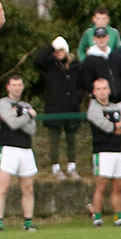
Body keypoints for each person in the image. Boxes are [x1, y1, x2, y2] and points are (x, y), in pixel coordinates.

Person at [0, 74, 38, 231]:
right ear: (8, 87)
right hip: (8, 148)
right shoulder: (4, 103)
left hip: (26, 149)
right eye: (14, 85)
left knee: (28, 188)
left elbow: (32, 129)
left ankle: (28, 222)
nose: (17, 88)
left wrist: (21, 119)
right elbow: (12, 123)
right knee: (2, 188)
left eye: (19, 85)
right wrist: (27, 116)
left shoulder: (26, 105)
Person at [35, 37, 83, 180]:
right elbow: (38, 61)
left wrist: (77, 98)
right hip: (55, 107)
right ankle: (55, 167)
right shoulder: (50, 65)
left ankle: (71, 166)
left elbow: (81, 84)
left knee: (71, 138)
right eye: (56, 51)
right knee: (54, 138)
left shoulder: (76, 66)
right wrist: (51, 46)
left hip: (72, 107)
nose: (58, 53)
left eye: (61, 50)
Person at [86, 76, 121, 225]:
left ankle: (118, 217)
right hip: (102, 151)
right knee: (101, 185)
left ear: (109, 90)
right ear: (94, 92)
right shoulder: (93, 109)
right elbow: (106, 127)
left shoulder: (117, 107)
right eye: (98, 89)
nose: (102, 92)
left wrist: (117, 127)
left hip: (118, 151)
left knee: (118, 186)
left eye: (104, 88)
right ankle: (97, 217)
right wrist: (117, 126)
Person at [79, 27, 117, 100]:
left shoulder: (114, 57)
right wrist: (97, 93)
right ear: (94, 39)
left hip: (116, 99)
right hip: (98, 100)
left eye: (103, 36)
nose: (101, 39)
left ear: (108, 38)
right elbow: (86, 80)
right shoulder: (90, 59)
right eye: (98, 37)